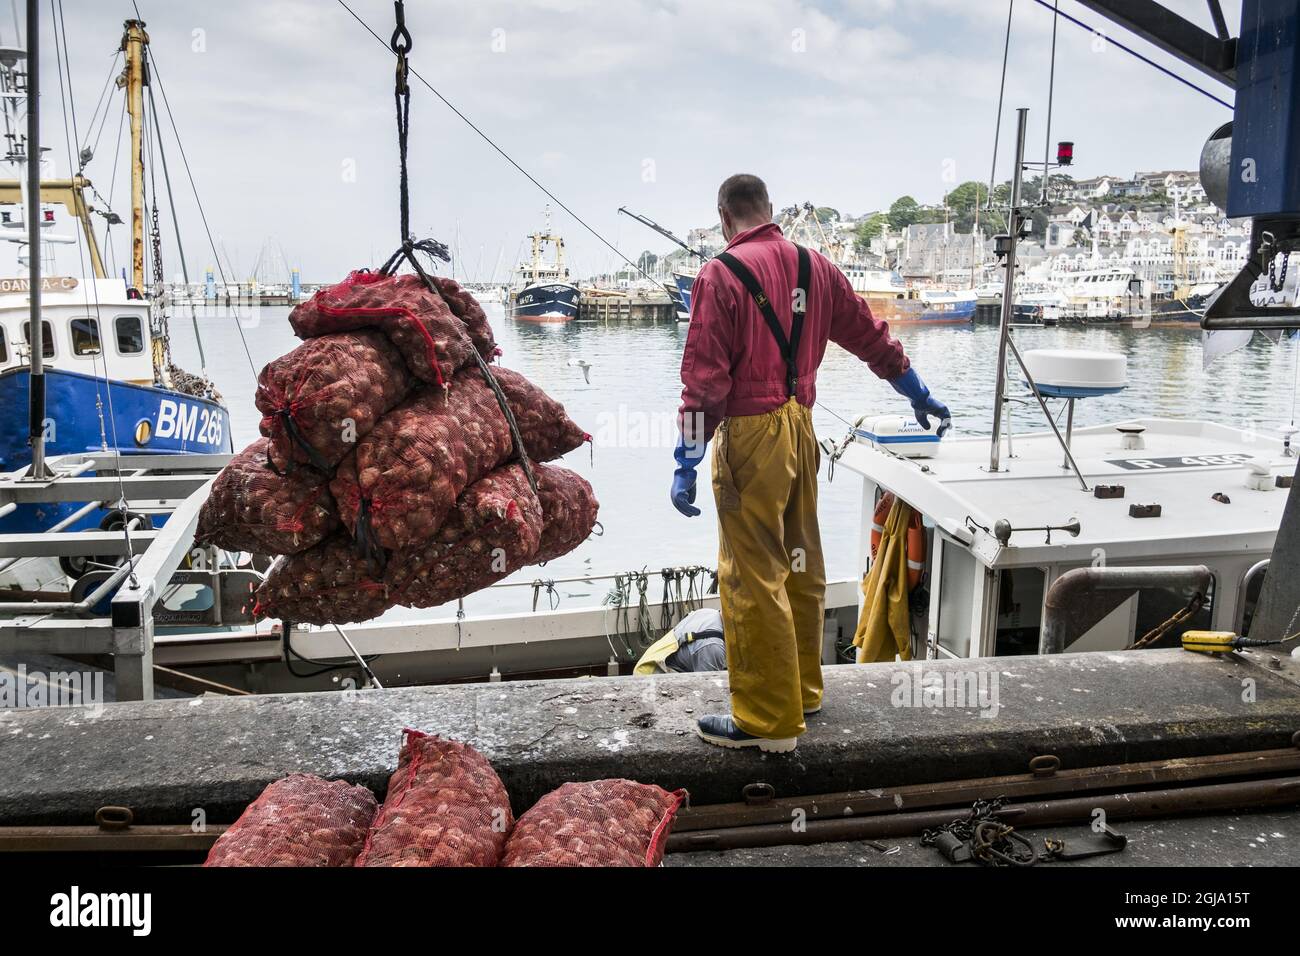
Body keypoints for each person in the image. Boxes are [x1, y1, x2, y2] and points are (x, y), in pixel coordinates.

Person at [672, 173, 952, 753]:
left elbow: (704, 385)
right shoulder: (815, 267)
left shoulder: (719, 275)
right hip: (801, 428)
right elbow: (871, 337)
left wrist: (687, 460)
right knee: (800, 562)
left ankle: (766, 721)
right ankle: (800, 691)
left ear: (724, 217)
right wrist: (916, 390)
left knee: (752, 575)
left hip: (750, 437)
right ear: (770, 209)